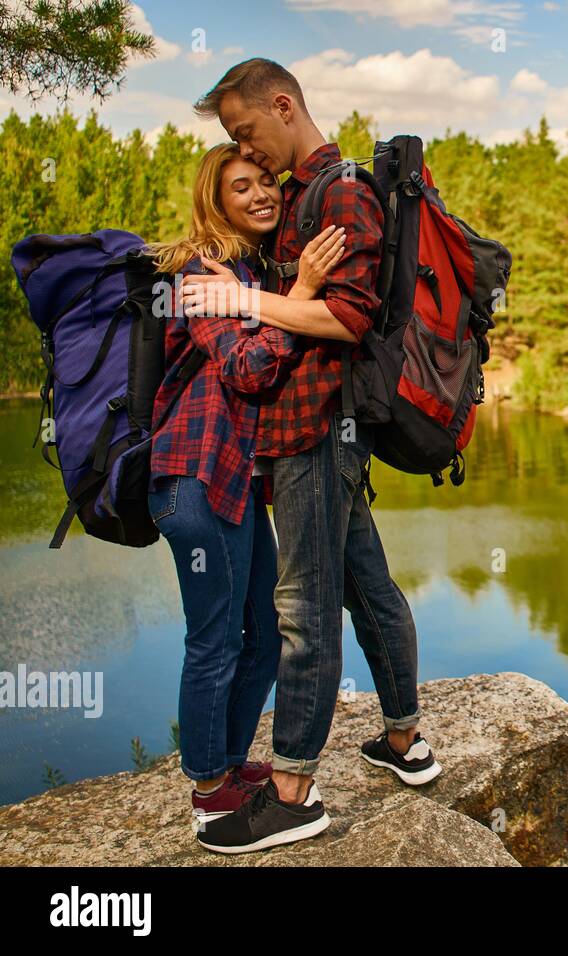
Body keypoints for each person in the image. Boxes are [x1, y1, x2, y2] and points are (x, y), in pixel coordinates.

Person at [179, 58, 441, 855]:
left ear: (284, 106)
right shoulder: (300, 196)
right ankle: (406, 745)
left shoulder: (340, 189)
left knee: (304, 609)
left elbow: (351, 318)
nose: (245, 150)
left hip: (315, 431)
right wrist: (274, 286)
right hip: (315, 431)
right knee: (368, 584)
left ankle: (292, 791)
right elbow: (300, 306)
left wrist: (245, 298)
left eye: (246, 131)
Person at [147, 142, 347, 828]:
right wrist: (300, 297)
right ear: (216, 200)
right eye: (241, 187)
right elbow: (247, 368)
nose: (262, 193)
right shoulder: (202, 271)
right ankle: (209, 792)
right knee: (216, 638)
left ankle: (230, 762)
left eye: (266, 180)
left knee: (264, 629)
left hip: (231, 481)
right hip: (196, 478)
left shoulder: (244, 272)